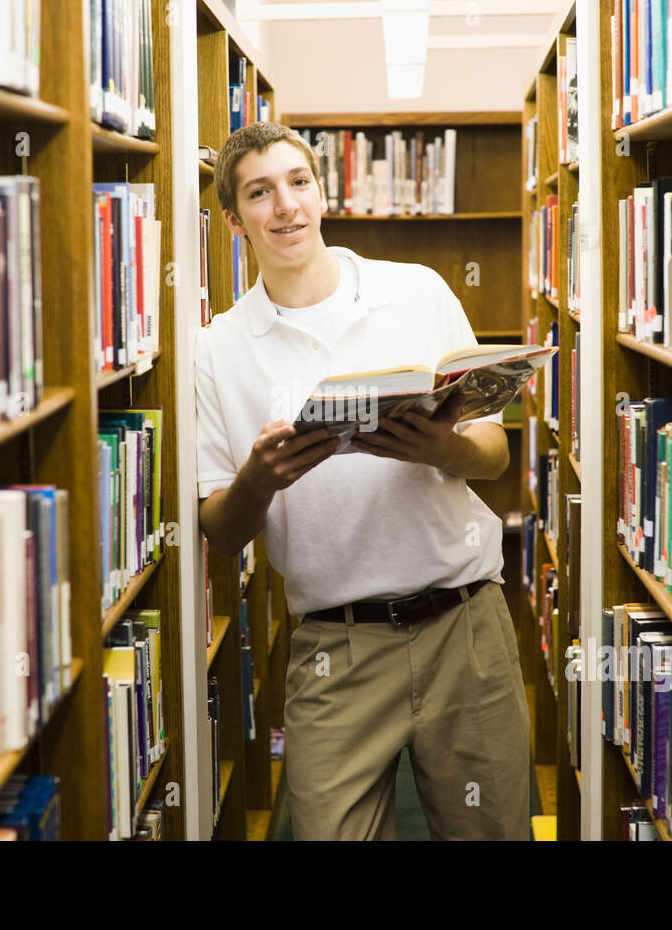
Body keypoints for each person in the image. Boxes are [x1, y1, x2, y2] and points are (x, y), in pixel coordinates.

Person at [194, 121, 530, 840]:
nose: (285, 207)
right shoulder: (214, 350)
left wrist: (441, 448)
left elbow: (494, 453)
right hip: (334, 650)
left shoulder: (415, 291)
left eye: (298, 183)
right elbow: (220, 531)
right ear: (232, 219)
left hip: (464, 624)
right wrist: (258, 480)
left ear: (321, 193)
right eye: (259, 192)